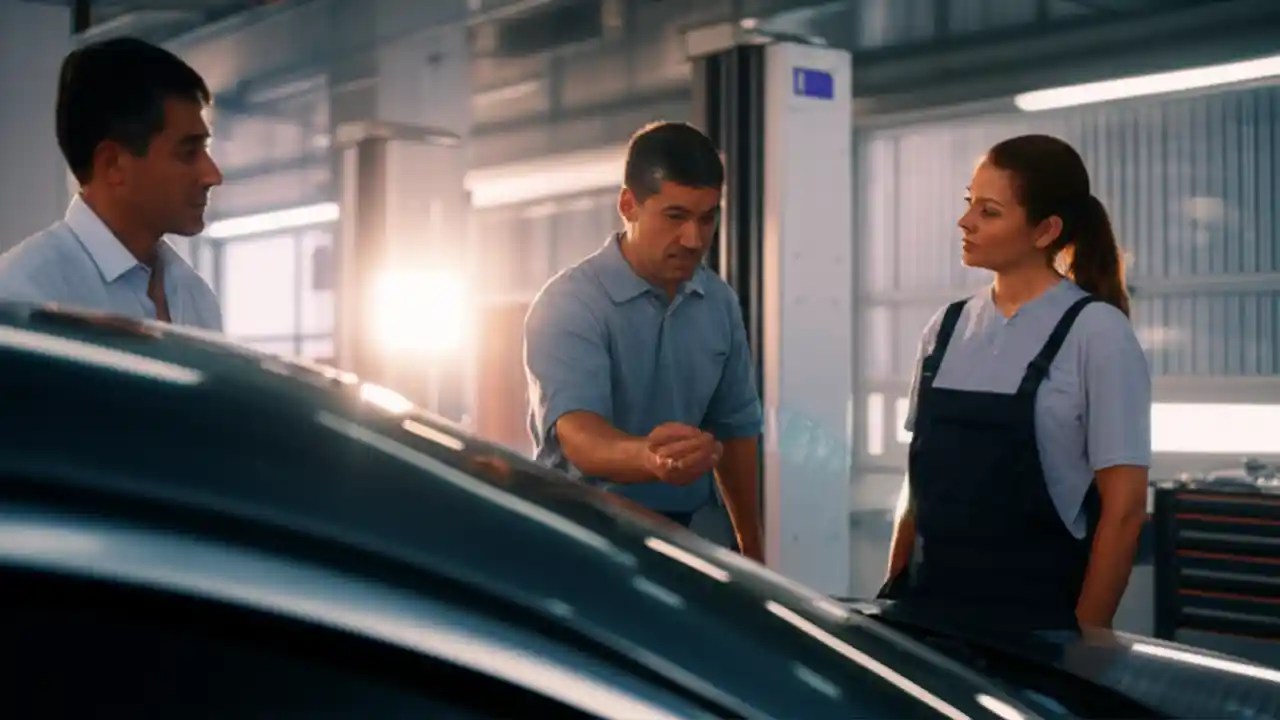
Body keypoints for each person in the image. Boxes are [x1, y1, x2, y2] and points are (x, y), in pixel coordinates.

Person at [882, 134, 1151, 632]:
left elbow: (1126, 510)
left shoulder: (1097, 333)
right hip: (927, 615)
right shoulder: (946, 327)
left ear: (1045, 230)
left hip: (1038, 625)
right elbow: (916, 485)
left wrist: (1084, 643)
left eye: (989, 211)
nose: (965, 222)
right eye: (969, 204)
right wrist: (892, 590)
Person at [523, 121, 764, 561]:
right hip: (582, 535)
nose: (693, 240)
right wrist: (651, 458)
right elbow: (580, 436)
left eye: (706, 218)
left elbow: (737, 431)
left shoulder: (719, 303)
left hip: (688, 541)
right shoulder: (570, 302)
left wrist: (753, 552)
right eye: (675, 217)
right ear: (628, 205)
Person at [0, 37, 224, 330]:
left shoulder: (195, 296)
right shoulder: (22, 298)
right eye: (188, 152)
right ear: (113, 164)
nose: (213, 175)